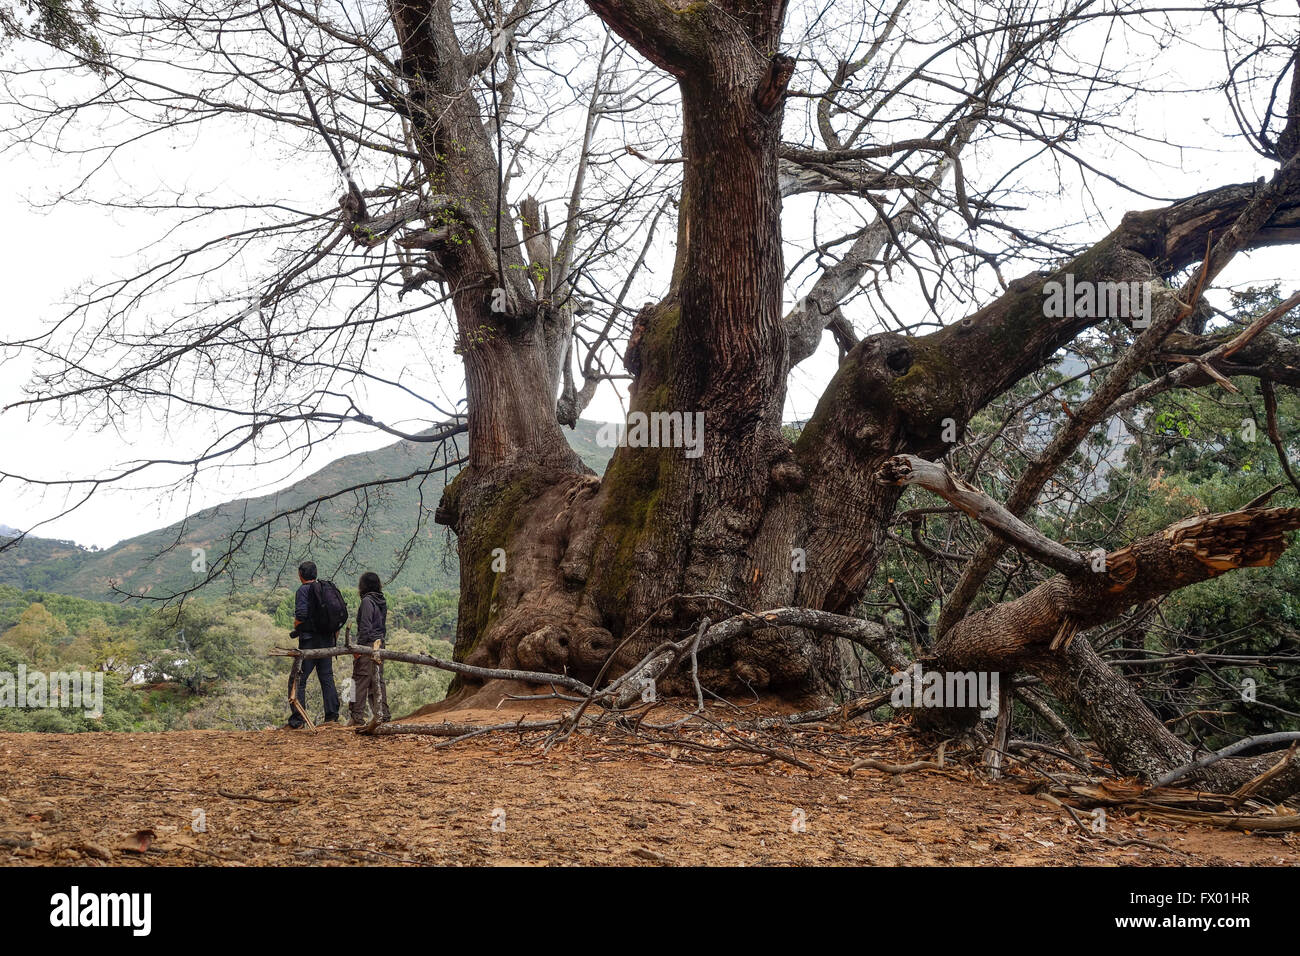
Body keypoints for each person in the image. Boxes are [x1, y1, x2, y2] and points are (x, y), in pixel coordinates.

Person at [286, 560, 341, 728]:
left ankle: (298, 719)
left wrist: (297, 625)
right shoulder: (325, 589)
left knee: (298, 679)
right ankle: (331, 718)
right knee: (326, 677)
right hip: (326, 639)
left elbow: (301, 615)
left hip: (309, 640)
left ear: (300, 575)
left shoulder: (303, 590)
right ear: (315, 574)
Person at [350, 571, 391, 726]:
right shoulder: (382, 600)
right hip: (380, 644)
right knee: (377, 681)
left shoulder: (367, 601)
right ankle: (383, 715)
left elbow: (365, 627)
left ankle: (356, 717)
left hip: (368, 645)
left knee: (359, 680)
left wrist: (359, 648)